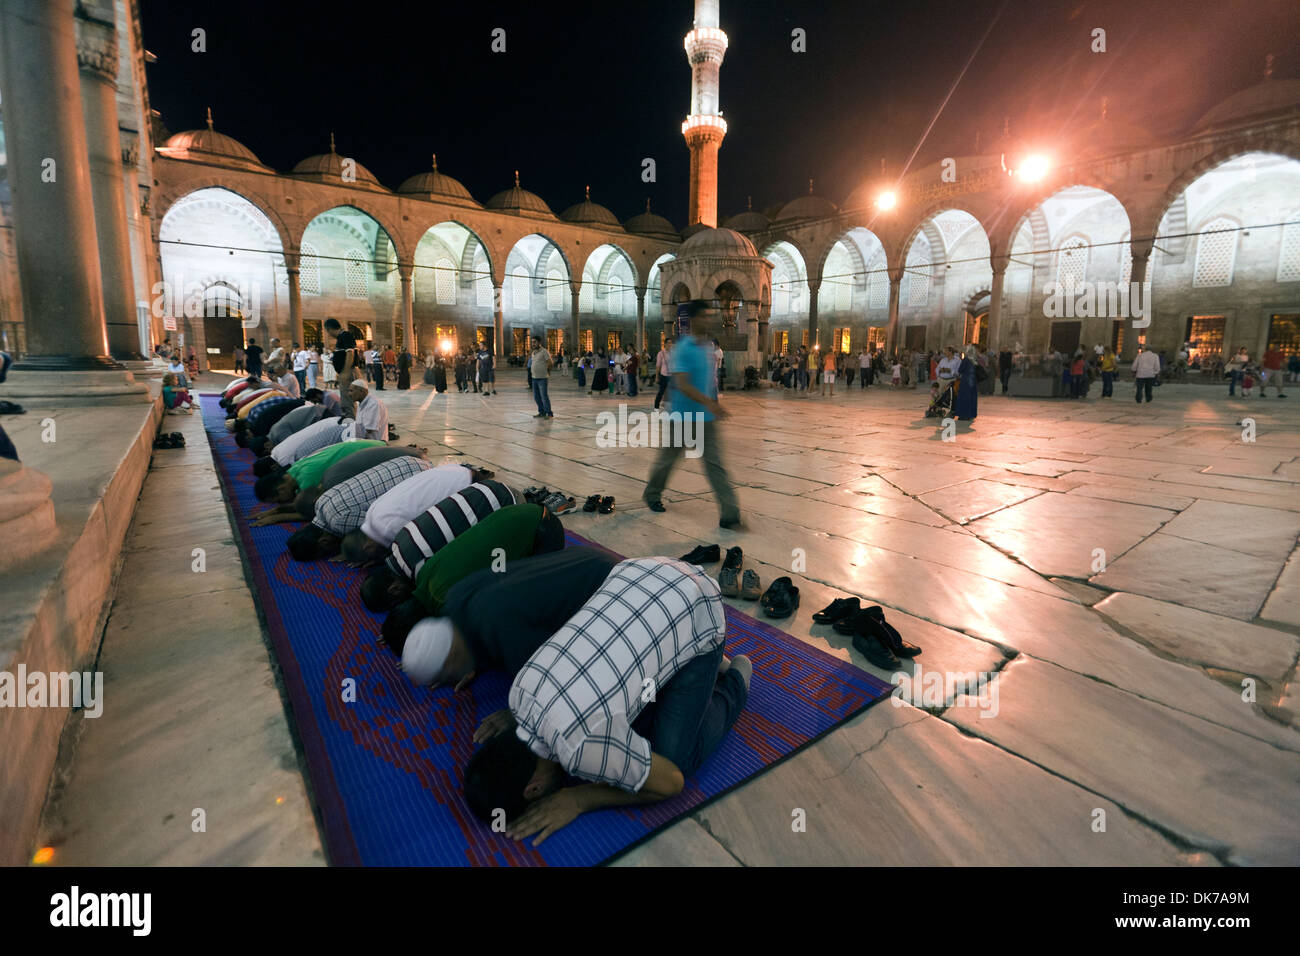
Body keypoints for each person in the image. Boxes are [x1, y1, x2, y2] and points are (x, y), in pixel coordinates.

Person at [461, 556, 749, 843]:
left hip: (701, 606)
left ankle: (734, 675)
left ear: (534, 790)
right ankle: (690, 656)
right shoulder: (520, 691)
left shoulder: (580, 748)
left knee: (674, 759)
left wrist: (580, 798)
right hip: (643, 571)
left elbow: (672, 782)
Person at [398, 546, 620, 691]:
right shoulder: (456, 599)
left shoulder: (500, 626)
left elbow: (549, 679)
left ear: (453, 655)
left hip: (612, 587)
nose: (454, 680)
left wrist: (515, 716)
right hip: (585, 556)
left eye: (449, 676)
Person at [380, 504, 566, 650]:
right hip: (522, 511)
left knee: (531, 605)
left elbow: (485, 637)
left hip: (545, 530)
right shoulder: (422, 575)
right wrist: (395, 628)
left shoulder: (448, 604)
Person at [642, 300, 742, 529]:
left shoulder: (707, 347)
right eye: (705, 316)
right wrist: (711, 403)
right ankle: (652, 494)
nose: (708, 320)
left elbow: (707, 382)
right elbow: (683, 384)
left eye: (710, 316)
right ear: (694, 319)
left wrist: (712, 405)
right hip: (683, 417)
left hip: (705, 418)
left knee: (715, 465)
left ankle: (730, 515)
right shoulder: (683, 348)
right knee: (667, 460)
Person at [338, 465, 500, 566]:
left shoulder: (390, 530)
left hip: (467, 485)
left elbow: (414, 552)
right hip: (453, 469)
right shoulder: (372, 513)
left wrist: (383, 561)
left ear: (368, 547)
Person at [287, 455, 434, 560]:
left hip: (419, 477)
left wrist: (356, 554)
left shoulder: (339, 522)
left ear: (323, 542)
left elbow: (381, 530)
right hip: (406, 461)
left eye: (325, 552)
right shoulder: (320, 503)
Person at [325, 319, 359, 416]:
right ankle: (351, 423)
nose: (329, 334)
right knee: (347, 401)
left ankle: (350, 426)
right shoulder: (342, 337)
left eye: (328, 331)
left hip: (349, 372)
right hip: (346, 372)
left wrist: (345, 373)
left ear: (330, 329)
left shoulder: (345, 335)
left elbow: (350, 353)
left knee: (347, 402)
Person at [530, 337, 553, 419]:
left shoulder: (544, 351)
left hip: (542, 378)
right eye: (532, 342)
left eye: (534, 342)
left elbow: (550, 363)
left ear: (539, 342)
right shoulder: (533, 353)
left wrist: (548, 372)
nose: (533, 344)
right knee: (536, 396)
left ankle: (549, 413)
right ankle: (541, 412)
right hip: (534, 378)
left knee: (544, 395)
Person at [954, 345, 979, 421]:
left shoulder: (966, 360)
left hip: (965, 381)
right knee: (972, 397)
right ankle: (971, 414)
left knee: (964, 397)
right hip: (973, 381)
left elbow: (960, 369)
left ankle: (964, 414)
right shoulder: (975, 360)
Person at [654, 339, 673, 408]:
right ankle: (656, 407)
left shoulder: (673, 352)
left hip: (672, 375)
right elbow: (658, 366)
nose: (669, 344)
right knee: (661, 392)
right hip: (664, 375)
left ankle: (671, 407)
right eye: (668, 343)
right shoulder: (661, 353)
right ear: (664, 344)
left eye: (670, 343)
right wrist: (656, 377)